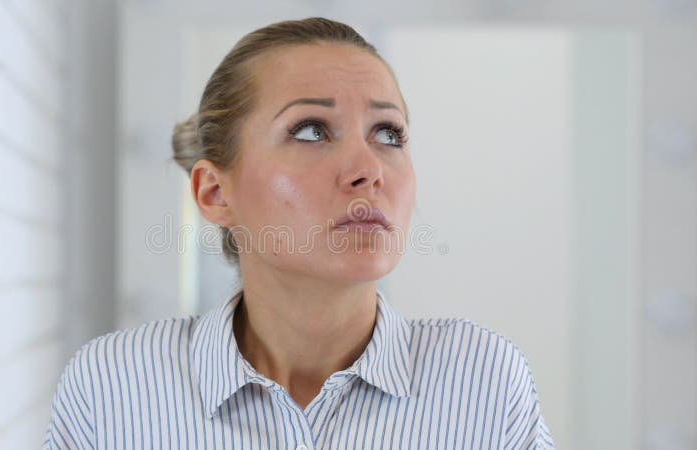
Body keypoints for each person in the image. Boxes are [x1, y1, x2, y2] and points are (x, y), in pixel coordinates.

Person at [44, 17, 554, 449]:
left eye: (388, 133)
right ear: (215, 194)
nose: (368, 169)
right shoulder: (111, 385)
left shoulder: (484, 378)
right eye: (311, 130)